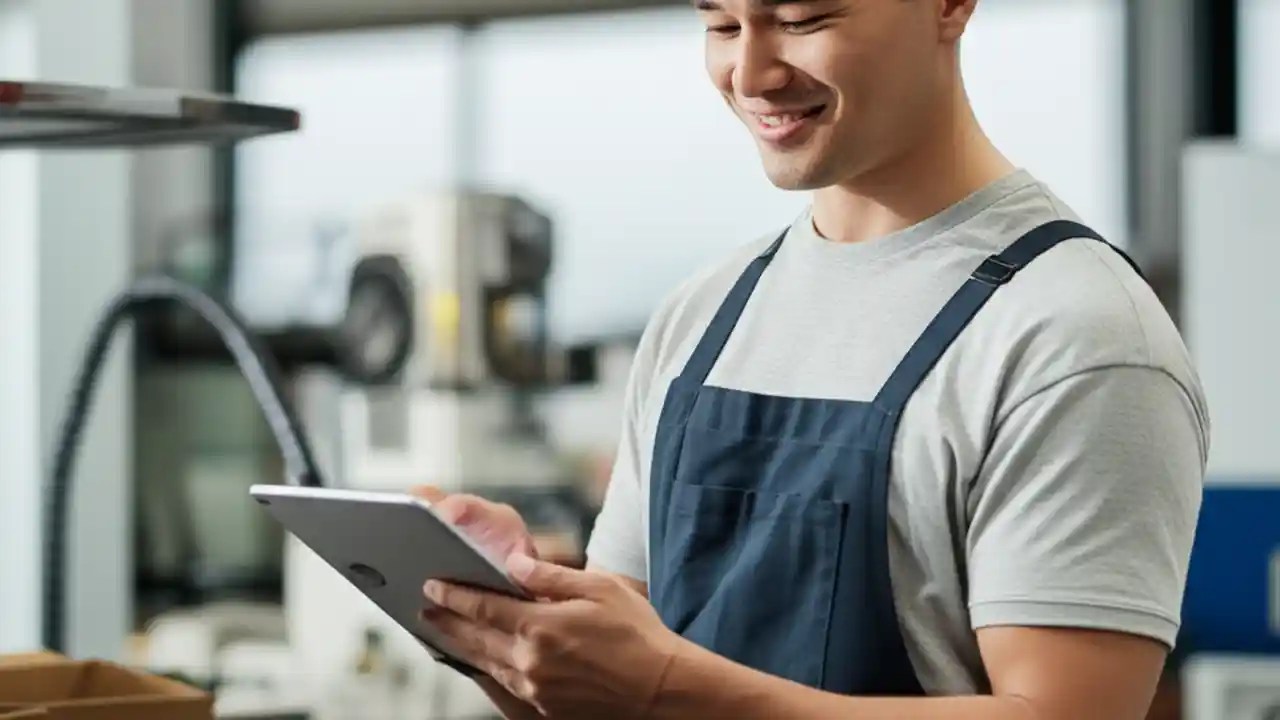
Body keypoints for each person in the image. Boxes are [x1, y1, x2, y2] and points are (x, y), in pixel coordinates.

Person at [414, 0, 1210, 717]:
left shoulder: (1073, 334)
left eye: (802, 20)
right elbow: (606, 696)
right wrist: (500, 620)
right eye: (722, 25)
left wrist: (667, 689)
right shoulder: (704, 315)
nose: (752, 74)